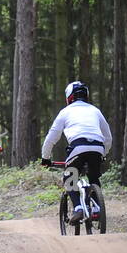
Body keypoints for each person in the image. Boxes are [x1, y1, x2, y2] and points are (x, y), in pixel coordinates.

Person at [40, 80, 112, 224]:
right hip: (98, 147)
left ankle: (78, 207)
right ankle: (97, 209)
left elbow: (51, 138)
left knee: (69, 176)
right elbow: (108, 137)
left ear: (69, 97)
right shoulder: (95, 110)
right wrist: (103, 154)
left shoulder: (65, 112)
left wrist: (45, 158)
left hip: (78, 147)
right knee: (94, 177)